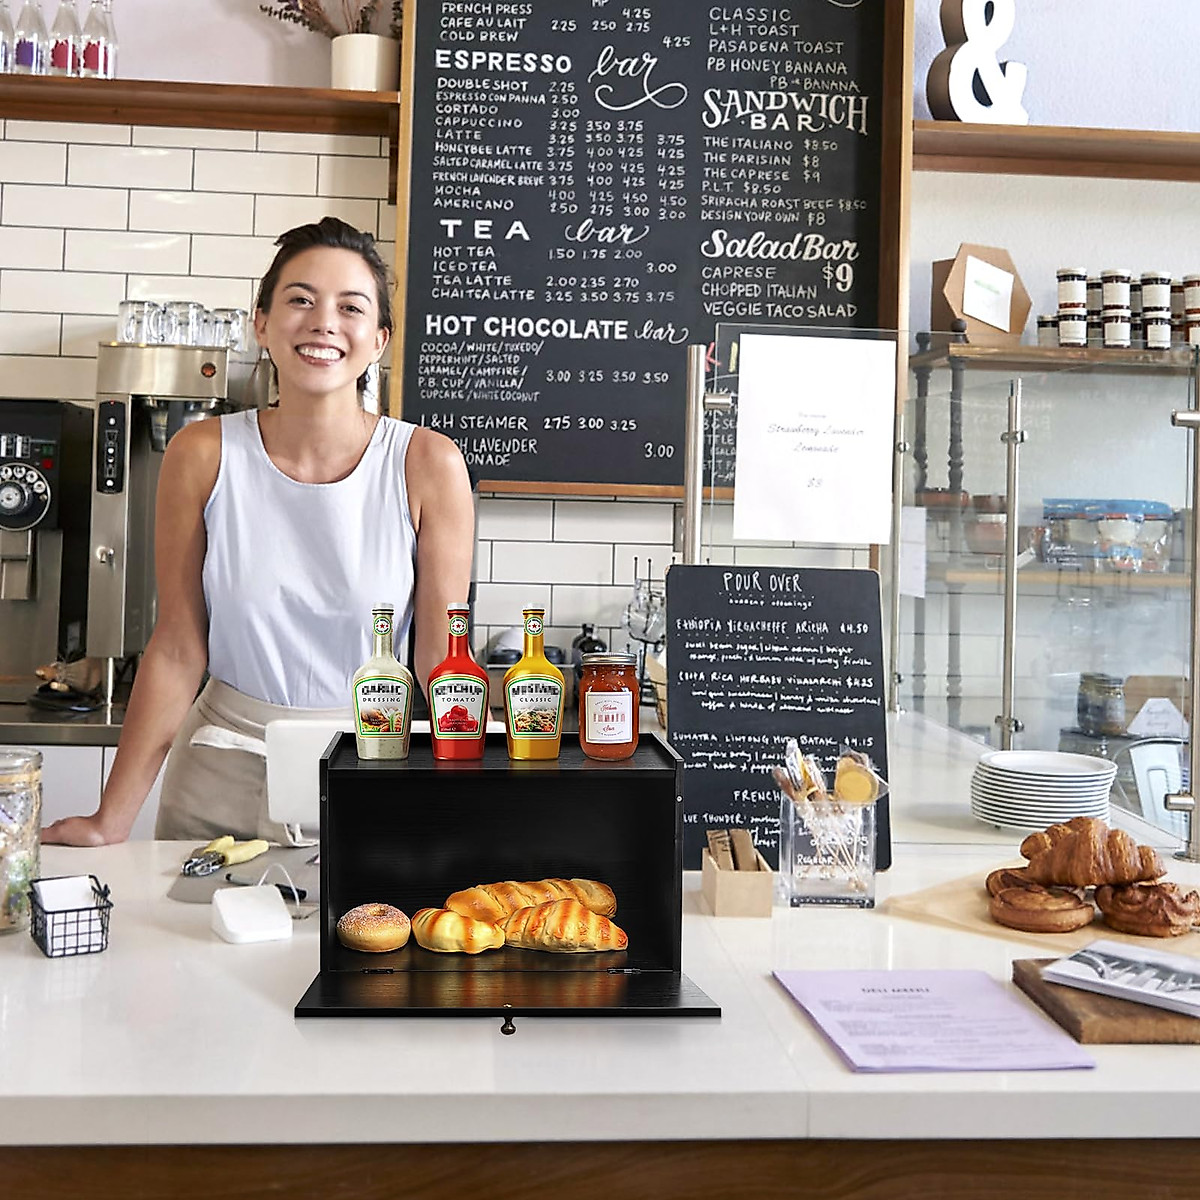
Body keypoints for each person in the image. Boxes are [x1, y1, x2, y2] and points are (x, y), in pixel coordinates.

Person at [43, 217, 475, 846]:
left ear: (378, 340)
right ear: (262, 323)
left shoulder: (428, 464)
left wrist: (458, 818)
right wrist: (111, 820)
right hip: (218, 773)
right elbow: (177, 647)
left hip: (368, 770)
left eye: (350, 307)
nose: (323, 322)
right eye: (300, 299)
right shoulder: (202, 453)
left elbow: (444, 662)